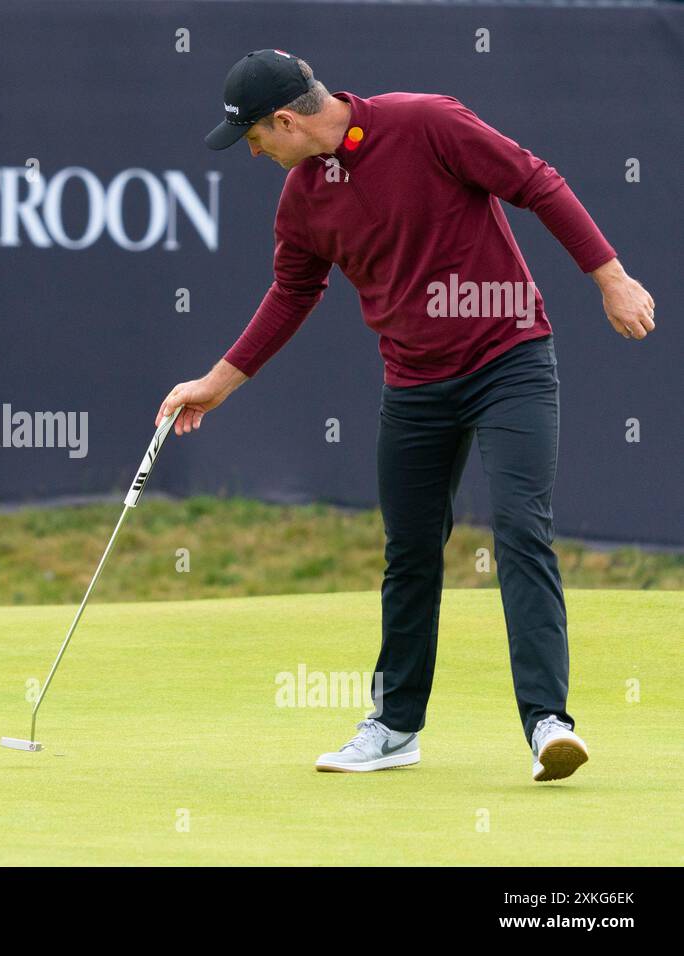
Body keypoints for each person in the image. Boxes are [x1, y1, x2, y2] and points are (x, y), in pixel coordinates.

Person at [157, 50, 656, 781]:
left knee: (521, 530)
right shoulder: (303, 198)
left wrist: (610, 278)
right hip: (415, 385)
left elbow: (536, 181)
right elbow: (293, 293)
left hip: (509, 361)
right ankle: (395, 727)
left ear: (286, 120)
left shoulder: (426, 122)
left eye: (255, 138)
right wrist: (218, 382)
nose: (254, 152)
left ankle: (547, 722)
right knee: (411, 552)